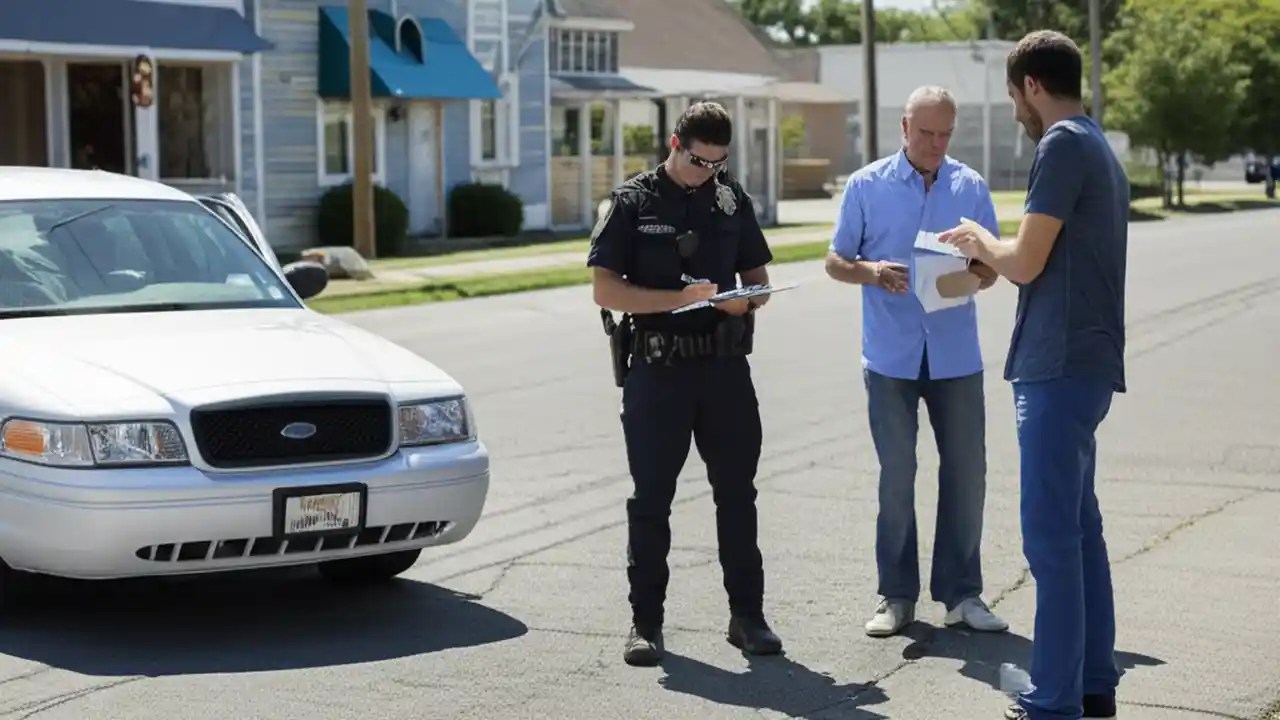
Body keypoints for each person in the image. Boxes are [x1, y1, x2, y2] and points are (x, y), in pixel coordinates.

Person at [939, 30, 1129, 720]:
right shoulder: (1098, 145)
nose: (1017, 109)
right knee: (1081, 533)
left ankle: (1052, 701)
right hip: (1087, 362)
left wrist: (978, 239)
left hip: (1059, 364)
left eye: (1015, 95)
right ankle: (1090, 684)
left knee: (1051, 541)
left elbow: (1024, 262)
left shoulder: (1061, 145)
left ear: (1032, 87)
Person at [587, 101, 783, 667]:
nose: (707, 172)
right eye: (699, 161)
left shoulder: (730, 198)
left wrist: (745, 301)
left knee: (737, 494)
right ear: (675, 144)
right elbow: (606, 290)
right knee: (651, 500)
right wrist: (678, 300)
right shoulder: (632, 202)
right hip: (658, 370)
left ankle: (747, 618)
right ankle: (645, 624)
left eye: (718, 163)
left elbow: (759, 281)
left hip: (723, 370)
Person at [825, 85, 1008, 639]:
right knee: (897, 476)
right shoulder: (866, 186)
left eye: (945, 134)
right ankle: (896, 597)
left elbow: (991, 266)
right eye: (925, 132)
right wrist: (872, 272)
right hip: (890, 357)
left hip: (955, 354)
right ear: (904, 128)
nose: (935, 143)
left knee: (966, 475)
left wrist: (958, 281)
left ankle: (962, 595)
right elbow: (835, 260)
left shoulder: (970, 186)